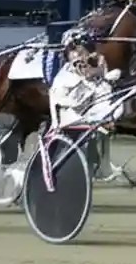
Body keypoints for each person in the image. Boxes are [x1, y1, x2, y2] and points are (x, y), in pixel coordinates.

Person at [49, 43, 124, 179]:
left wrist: (102, 70)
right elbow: (72, 102)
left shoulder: (90, 72)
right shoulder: (66, 77)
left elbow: (103, 92)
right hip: (71, 116)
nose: (83, 62)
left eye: (84, 57)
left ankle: (102, 166)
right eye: (78, 60)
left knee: (116, 108)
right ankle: (98, 166)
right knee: (101, 124)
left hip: (89, 112)